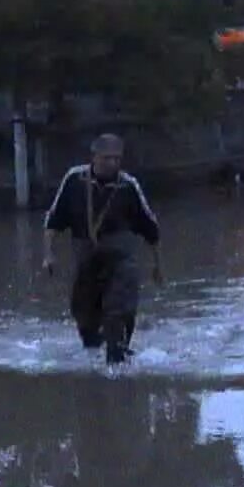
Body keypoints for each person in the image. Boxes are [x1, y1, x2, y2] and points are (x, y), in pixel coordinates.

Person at [43, 134, 163, 364]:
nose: (112, 164)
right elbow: (54, 219)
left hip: (120, 256)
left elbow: (150, 227)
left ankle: (117, 363)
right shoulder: (74, 179)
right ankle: (95, 354)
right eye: (107, 158)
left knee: (119, 310)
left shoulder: (128, 185)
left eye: (117, 159)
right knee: (84, 312)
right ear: (94, 157)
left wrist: (157, 265)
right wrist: (48, 254)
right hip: (86, 254)